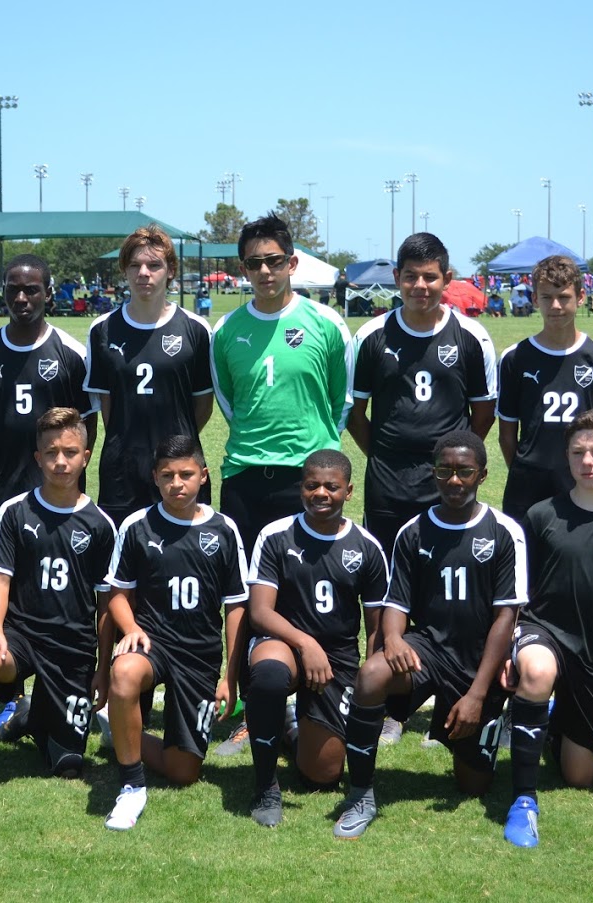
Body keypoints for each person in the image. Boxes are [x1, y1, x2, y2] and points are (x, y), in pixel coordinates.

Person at [332, 431, 528, 839]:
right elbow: (396, 605)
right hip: (428, 649)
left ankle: (479, 721)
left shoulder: (504, 532)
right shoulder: (413, 532)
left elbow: (505, 618)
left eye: (464, 471)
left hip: (477, 660)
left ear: (482, 475)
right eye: (445, 471)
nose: (454, 480)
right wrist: (394, 639)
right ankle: (361, 793)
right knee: (371, 675)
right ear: (433, 475)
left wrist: (476, 694)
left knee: (473, 784)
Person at [209, 213, 353, 754]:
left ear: (292, 263)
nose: (265, 270)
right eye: (254, 263)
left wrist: (309, 453)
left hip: (305, 478)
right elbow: (228, 400)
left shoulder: (327, 324)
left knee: (307, 591)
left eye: (274, 260)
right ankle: (250, 706)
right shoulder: (226, 331)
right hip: (246, 475)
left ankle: (317, 696)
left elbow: (340, 401)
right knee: (245, 595)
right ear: (243, 269)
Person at [0, 408, 117, 817]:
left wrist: (102, 667)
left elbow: (106, 605)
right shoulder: (15, 511)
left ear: (86, 456)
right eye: (51, 452)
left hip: (72, 647)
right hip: (21, 637)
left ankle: (31, 719)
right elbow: (0, 579)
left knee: (69, 764)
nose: (61, 461)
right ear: (37, 457)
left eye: (70, 452)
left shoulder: (100, 524)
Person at [500, 410, 593, 848]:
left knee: (579, 775)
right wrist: (508, 654)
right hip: (541, 633)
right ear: (566, 458)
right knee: (538, 672)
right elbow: (513, 598)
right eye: (578, 452)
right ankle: (524, 802)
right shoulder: (541, 516)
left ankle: (548, 720)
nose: (588, 461)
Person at [0, 253, 97, 738]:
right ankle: (10, 701)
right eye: (13, 289)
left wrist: (66, 479)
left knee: (62, 589)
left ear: (49, 292)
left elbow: (88, 429)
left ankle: (61, 688)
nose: (22, 298)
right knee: (8, 585)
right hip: (4, 492)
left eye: (32, 290)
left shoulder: (69, 352)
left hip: (61, 497)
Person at [101, 435, 249, 830]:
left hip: (199, 653)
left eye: (185, 474)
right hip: (153, 643)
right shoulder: (137, 525)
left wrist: (229, 677)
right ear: (155, 477)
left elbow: (236, 606)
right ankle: (131, 787)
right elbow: (117, 592)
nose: (176, 483)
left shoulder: (223, 529)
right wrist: (131, 628)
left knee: (184, 771)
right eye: (167, 475)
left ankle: (118, 729)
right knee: (125, 672)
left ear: (203, 475)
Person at [243, 449, 389, 827]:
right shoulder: (275, 536)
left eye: (331, 487)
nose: (321, 493)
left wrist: (365, 685)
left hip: (337, 656)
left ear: (349, 491)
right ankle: (264, 786)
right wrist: (306, 643)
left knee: (323, 774)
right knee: (271, 673)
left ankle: (292, 727)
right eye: (312, 486)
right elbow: (260, 612)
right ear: (301, 488)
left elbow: (375, 627)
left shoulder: (367, 547)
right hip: (283, 643)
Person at [348, 232, 496, 560]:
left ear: (447, 279)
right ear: (397, 277)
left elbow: (485, 414)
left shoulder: (473, 337)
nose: (420, 286)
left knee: (444, 584)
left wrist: (458, 458)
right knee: (385, 586)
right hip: (387, 484)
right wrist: (383, 453)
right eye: (411, 276)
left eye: (430, 277)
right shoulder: (370, 336)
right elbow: (354, 413)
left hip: (448, 482)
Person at [83, 225, 214, 527]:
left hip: (180, 466)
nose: (144, 273)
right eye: (135, 265)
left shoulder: (194, 329)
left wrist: (177, 439)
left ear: (170, 272)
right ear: (125, 272)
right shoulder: (103, 330)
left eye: (154, 265)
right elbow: (107, 406)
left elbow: (202, 405)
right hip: (122, 469)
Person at [496, 255, 593, 522]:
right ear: (534, 299)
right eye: (546, 297)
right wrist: (525, 467)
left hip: (582, 480)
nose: (555, 306)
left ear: (581, 296)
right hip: (527, 484)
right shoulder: (514, 358)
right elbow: (507, 434)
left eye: (563, 297)